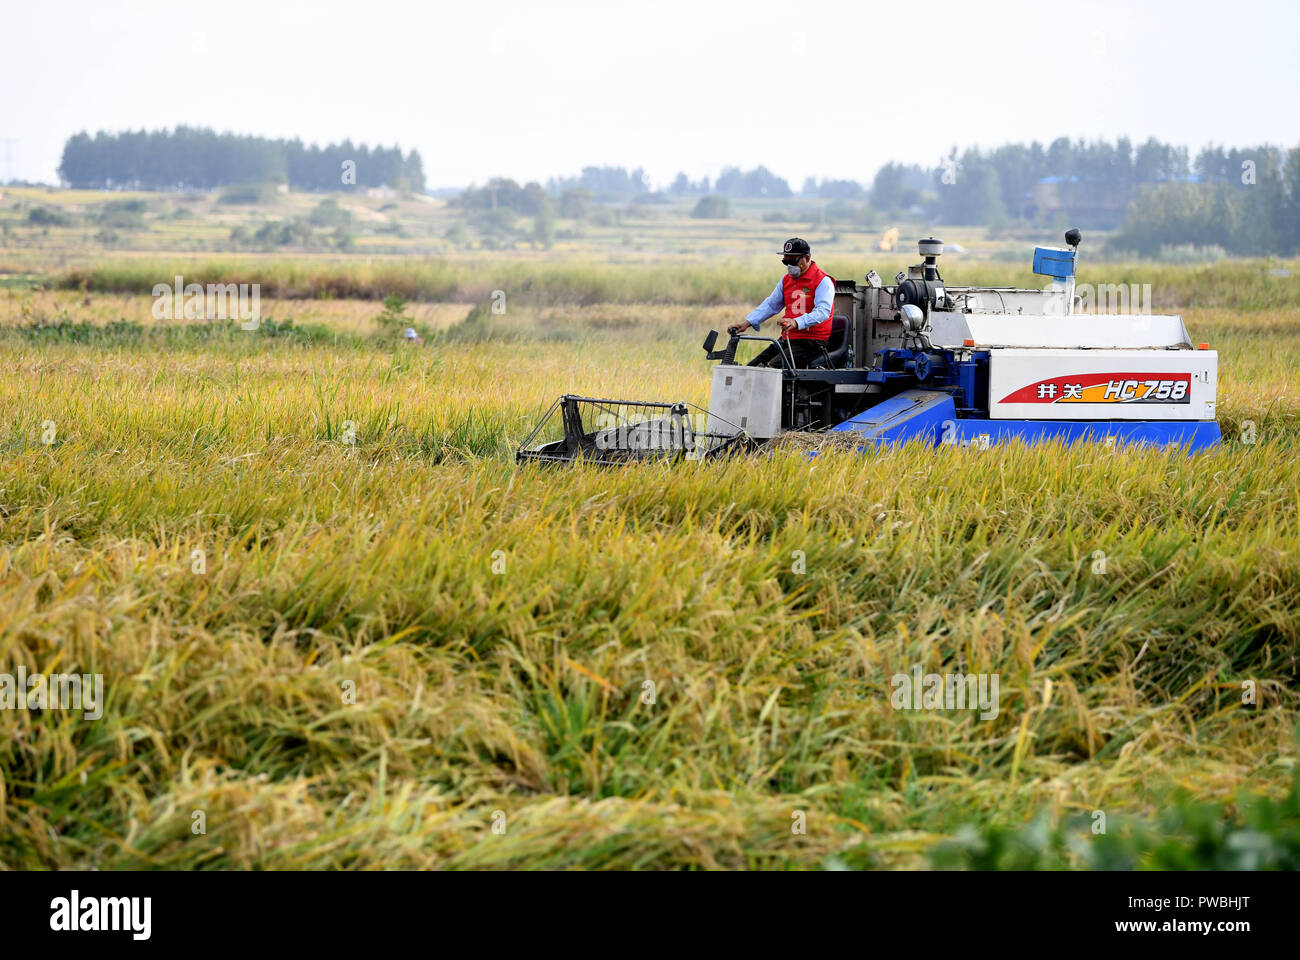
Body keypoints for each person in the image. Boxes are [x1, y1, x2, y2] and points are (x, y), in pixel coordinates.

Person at [727, 238, 834, 368]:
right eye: (786, 261)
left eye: (793, 261)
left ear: (807, 258)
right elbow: (771, 305)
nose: (790, 266)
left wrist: (796, 322)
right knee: (751, 368)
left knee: (770, 369)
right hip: (788, 339)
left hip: (812, 342)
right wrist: (746, 323)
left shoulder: (823, 280)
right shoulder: (786, 280)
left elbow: (823, 311)